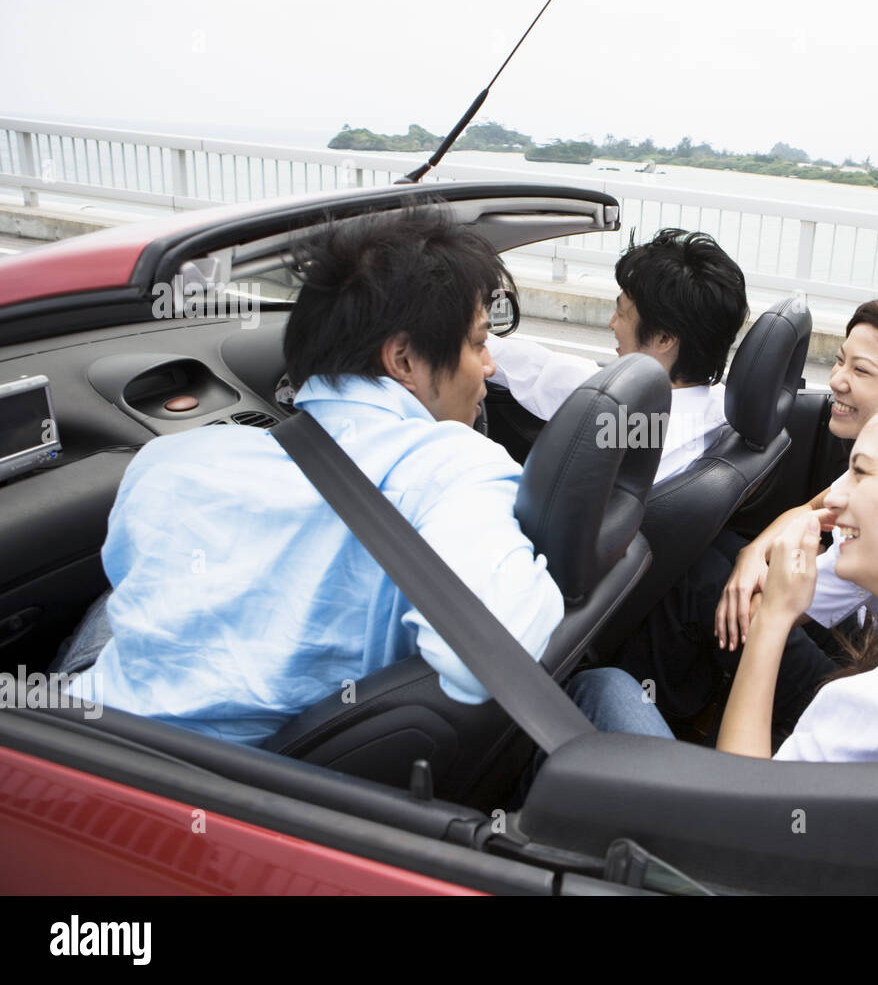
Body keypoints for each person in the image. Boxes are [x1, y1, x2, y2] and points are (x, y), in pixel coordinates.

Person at [61, 207, 564, 746]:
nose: (488, 366)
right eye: (478, 342)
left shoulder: (165, 464)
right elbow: (487, 656)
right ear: (403, 359)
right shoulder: (453, 466)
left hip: (80, 743)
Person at [564, 380, 878, 763]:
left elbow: (738, 810)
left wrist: (772, 623)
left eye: (862, 471)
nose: (835, 495)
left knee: (596, 688)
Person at [615, 295, 878, 731]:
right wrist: (751, 556)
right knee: (725, 552)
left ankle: (636, 721)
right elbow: (809, 509)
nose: (837, 380)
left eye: (860, 371)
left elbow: (784, 606)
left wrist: (748, 582)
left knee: (706, 583)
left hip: (862, 683)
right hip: (866, 644)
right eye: (840, 361)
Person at [485, 227, 749, 484]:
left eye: (621, 313)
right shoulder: (718, 405)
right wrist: (476, 342)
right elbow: (550, 371)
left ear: (664, 339)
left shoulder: (630, 443)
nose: (612, 323)